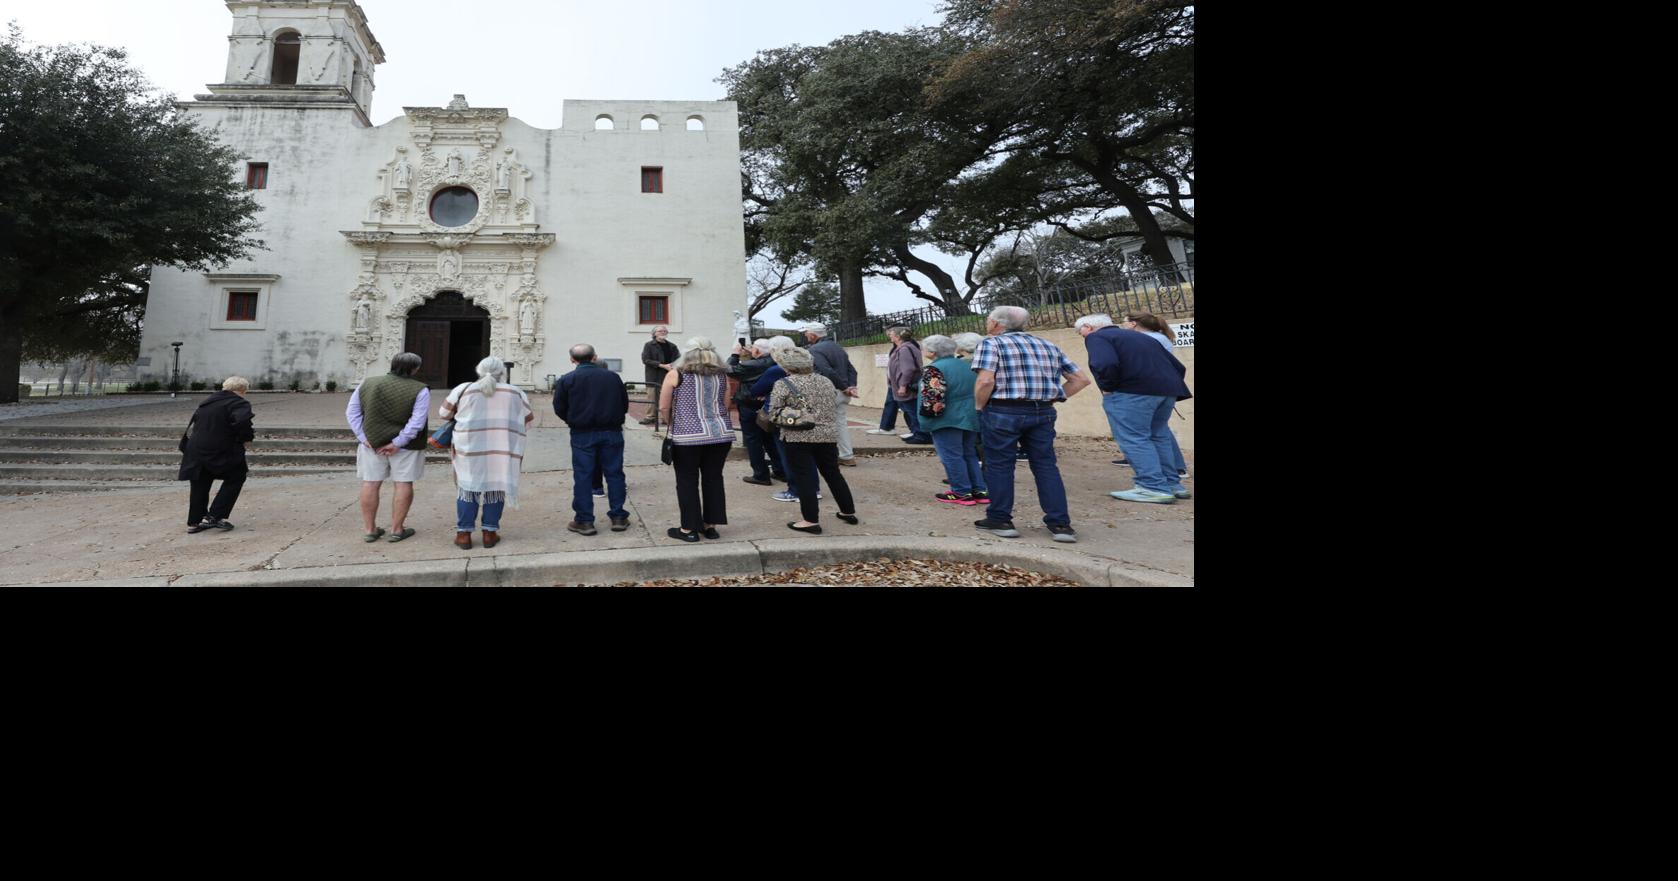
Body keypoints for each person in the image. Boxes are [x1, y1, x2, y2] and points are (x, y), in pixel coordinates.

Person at [970, 306, 1091, 543]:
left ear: (996, 323)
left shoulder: (991, 344)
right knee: (1046, 465)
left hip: (1003, 410)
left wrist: (979, 406)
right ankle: (1060, 524)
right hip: (1042, 411)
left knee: (999, 465)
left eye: (988, 320)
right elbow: (1080, 379)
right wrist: (1054, 396)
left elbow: (985, 380)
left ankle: (1000, 518)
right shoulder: (1048, 345)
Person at [1076, 314, 1192, 504]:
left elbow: (1105, 363)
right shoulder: (1142, 337)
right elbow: (1177, 366)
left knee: (1134, 437)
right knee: (1159, 436)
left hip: (1131, 392)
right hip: (1167, 391)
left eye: (1079, 331)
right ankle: (1173, 485)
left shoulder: (1097, 337)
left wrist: (1108, 387)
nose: (1080, 335)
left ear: (1088, 326)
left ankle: (1152, 487)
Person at [441, 356, 534, 548]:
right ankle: (489, 533)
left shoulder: (464, 389)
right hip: (502, 448)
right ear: (503, 372)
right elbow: (528, 419)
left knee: (468, 489)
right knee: (496, 488)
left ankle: (464, 534)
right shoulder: (515, 392)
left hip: (469, 447)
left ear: (479, 370)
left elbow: (444, 413)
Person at [767, 346, 858, 535]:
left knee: (804, 477)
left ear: (786, 366)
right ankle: (848, 511)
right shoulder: (825, 381)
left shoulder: (783, 383)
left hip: (797, 436)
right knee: (833, 474)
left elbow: (774, 413)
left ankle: (810, 520)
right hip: (827, 435)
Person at [347, 352, 429, 542]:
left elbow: (352, 413)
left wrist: (364, 437)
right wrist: (397, 442)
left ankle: (370, 529)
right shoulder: (420, 389)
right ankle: (397, 529)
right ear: (415, 369)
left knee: (370, 482)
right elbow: (416, 422)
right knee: (403, 483)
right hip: (407, 446)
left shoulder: (367, 383)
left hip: (372, 443)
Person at [660, 337, 735, 542]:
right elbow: (726, 404)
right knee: (713, 478)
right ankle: (710, 526)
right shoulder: (722, 375)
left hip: (687, 436)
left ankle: (689, 528)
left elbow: (664, 407)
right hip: (720, 434)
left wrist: (671, 422)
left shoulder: (676, 374)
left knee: (686, 480)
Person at [553, 343, 630, 535]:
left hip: (582, 432)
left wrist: (572, 420)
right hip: (611, 430)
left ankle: (584, 520)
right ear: (594, 357)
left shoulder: (567, 379)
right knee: (615, 474)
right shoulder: (613, 377)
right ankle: (618, 516)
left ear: (572, 359)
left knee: (583, 476)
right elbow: (624, 404)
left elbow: (559, 407)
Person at [178, 375, 256, 533]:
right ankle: (214, 516)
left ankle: (195, 521)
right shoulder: (238, 402)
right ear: (242, 390)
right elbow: (242, 422)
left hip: (196, 449)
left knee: (200, 482)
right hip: (220, 449)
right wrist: (246, 438)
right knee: (237, 476)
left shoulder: (207, 401)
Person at [916, 335, 987, 505]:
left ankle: (961, 491)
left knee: (951, 456)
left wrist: (926, 422)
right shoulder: (967, 365)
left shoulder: (933, 369)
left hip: (947, 419)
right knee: (968, 454)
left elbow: (932, 400)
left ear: (932, 352)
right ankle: (979, 490)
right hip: (970, 416)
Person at [1120, 311, 1189, 480]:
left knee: (1158, 429)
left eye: (1125, 322)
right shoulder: (1158, 337)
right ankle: (1173, 466)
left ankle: (1177, 467)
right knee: (1156, 428)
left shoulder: (1149, 339)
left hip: (1152, 388)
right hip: (1161, 387)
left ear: (1133, 324)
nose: (1122, 325)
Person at [749, 336, 814, 503]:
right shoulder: (807, 368)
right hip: (806, 416)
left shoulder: (776, 370)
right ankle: (813, 488)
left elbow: (756, 390)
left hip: (785, 417)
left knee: (788, 455)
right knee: (806, 456)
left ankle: (796, 490)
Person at [801, 323, 859, 465]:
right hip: (842, 392)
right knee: (840, 424)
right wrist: (850, 387)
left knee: (820, 424)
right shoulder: (837, 347)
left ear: (813, 335)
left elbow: (826, 370)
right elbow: (852, 369)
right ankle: (846, 456)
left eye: (807, 333)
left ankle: (824, 457)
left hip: (828, 391)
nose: (805, 335)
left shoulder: (814, 349)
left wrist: (844, 387)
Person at [729, 338, 783, 485]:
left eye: (753, 348)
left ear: (757, 350)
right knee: (769, 439)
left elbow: (730, 369)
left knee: (753, 440)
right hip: (768, 405)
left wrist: (735, 354)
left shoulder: (752, 365)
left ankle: (761, 474)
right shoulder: (775, 361)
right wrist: (752, 353)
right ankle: (780, 470)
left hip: (749, 404)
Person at [886, 325, 932, 444]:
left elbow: (908, 369)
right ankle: (918, 433)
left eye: (891, 334)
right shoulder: (906, 347)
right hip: (906, 385)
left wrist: (903, 386)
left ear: (898, 337)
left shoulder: (904, 349)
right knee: (911, 410)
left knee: (912, 411)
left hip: (907, 387)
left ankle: (922, 435)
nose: (890, 336)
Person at [638, 325, 679, 424]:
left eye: (665, 331)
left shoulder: (672, 346)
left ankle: (666, 418)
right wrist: (662, 365)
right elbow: (646, 360)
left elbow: (678, 359)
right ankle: (650, 417)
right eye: (660, 331)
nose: (663, 332)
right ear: (654, 334)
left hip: (669, 375)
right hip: (654, 376)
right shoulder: (649, 345)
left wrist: (673, 366)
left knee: (668, 397)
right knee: (652, 397)